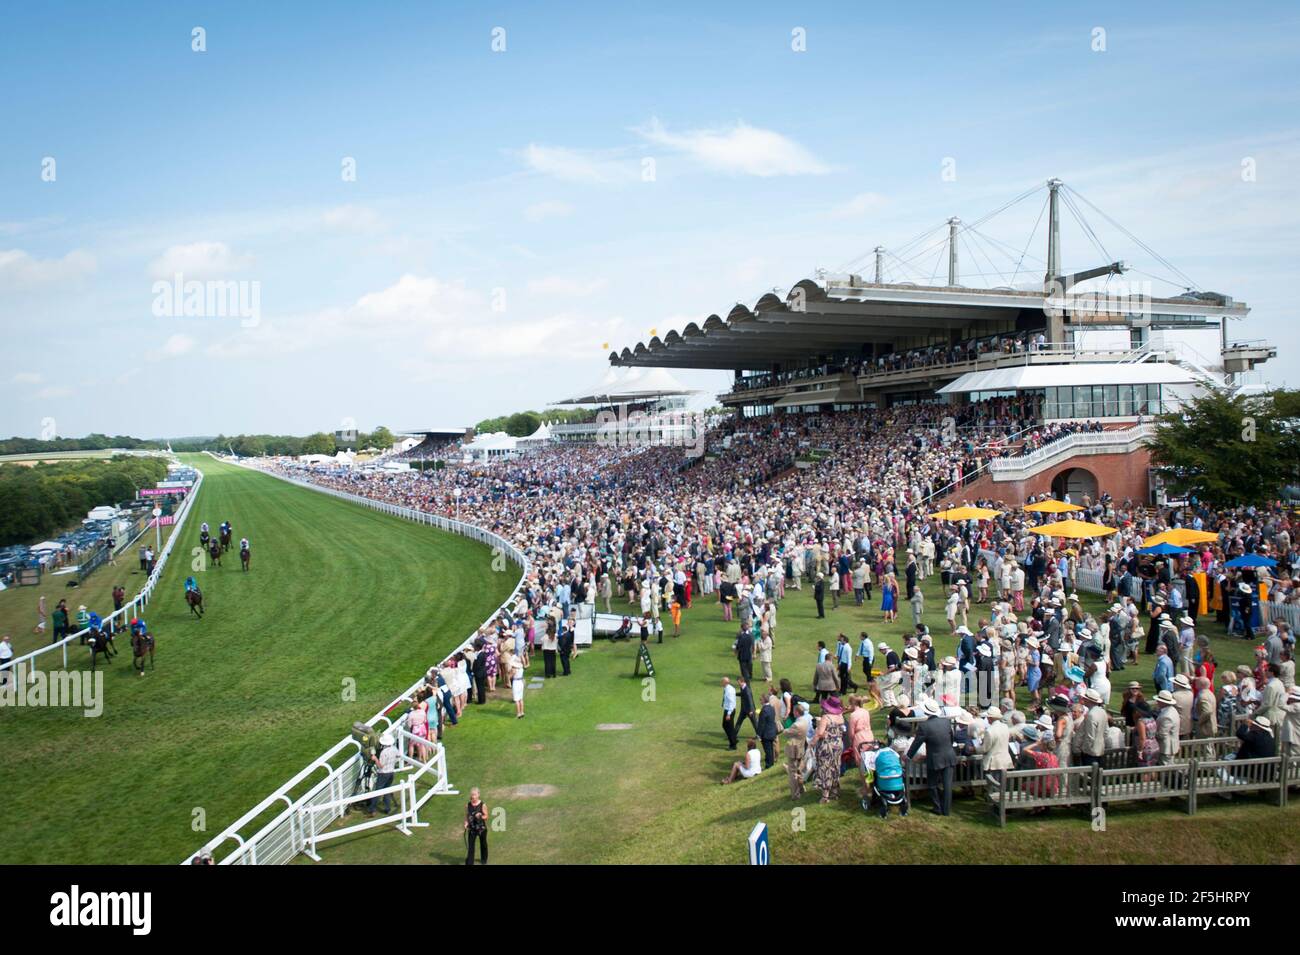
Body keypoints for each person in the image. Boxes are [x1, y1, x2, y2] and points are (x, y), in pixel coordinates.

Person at [907, 699, 958, 815]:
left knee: (932, 785)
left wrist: (908, 756)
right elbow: (951, 738)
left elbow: (916, 743)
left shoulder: (924, 726)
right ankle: (946, 810)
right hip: (949, 755)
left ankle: (937, 807)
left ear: (926, 712)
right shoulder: (946, 722)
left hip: (935, 758)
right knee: (947, 785)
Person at [812, 696, 846, 803]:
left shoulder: (826, 718)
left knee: (825, 768)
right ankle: (835, 792)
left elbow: (820, 733)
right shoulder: (841, 716)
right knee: (835, 766)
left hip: (827, 746)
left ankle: (825, 796)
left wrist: (813, 741)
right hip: (838, 744)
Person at [781, 702, 812, 799]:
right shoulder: (805, 721)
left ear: (797, 712)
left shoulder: (797, 724)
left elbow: (786, 733)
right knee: (798, 770)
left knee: (792, 773)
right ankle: (801, 789)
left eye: (794, 711)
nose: (793, 713)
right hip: (800, 748)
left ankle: (795, 794)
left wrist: (784, 728)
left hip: (794, 749)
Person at [367, 732, 399, 815]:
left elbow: (380, 765)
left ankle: (372, 809)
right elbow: (398, 757)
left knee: (377, 791)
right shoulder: (394, 749)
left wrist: (375, 759)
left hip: (383, 774)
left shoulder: (384, 752)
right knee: (387, 790)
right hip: (391, 772)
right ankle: (387, 808)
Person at [1154, 690, 1181, 765]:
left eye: (1159, 701)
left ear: (1163, 702)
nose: (1157, 702)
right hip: (1170, 746)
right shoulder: (1172, 710)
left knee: (1166, 768)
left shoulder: (1167, 716)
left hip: (1166, 748)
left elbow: (1162, 734)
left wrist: (1150, 733)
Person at [464, 788, 489, 865]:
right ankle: (470, 863)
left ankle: (484, 859)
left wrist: (480, 816)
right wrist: (465, 823)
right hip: (472, 829)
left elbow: (486, 817)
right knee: (471, 847)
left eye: (475, 795)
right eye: (472, 795)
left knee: (483, 844)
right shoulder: (467, 805)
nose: (473, 796)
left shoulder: (482, 805)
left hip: (481, 829)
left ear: (478, 795)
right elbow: (466, 816)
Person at [756, 693, 779, 769]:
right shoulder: (771, 708)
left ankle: (769, 765)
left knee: (768, 750)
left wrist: (758, 735)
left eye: (761, 699)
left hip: (766, 734)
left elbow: (761, 724)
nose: (760, 700)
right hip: (772, 732)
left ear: (764, 700)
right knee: (770, 750)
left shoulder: (764, 710)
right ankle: (771, 763)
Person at [721, 677, 738, 750]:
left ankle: (733, 744)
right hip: (729, 710)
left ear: (725, 682)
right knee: (727, 726)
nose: (721, 683)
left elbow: (731, 702)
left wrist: (728, 714)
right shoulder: (729, 688)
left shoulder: (729, 691)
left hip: (729, 710)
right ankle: (734, 739)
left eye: (722, 682)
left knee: (727, 726)